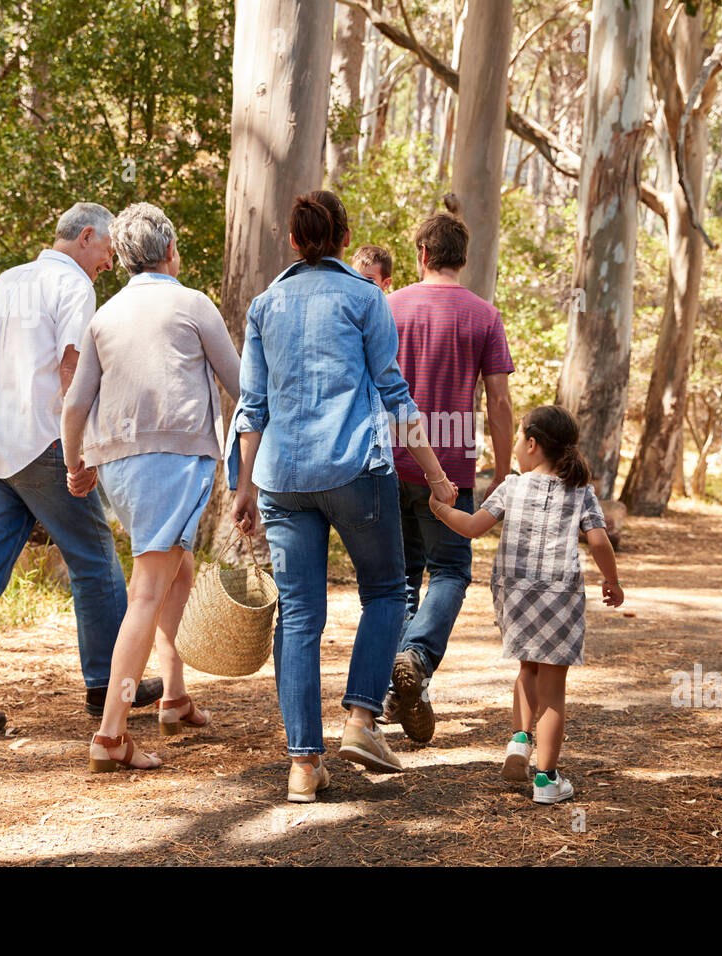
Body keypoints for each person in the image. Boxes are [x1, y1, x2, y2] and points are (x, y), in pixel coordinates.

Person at [230, 190, 457, 803]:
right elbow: (394, 393)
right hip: (355, 469)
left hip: (281, 479)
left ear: (295, 239)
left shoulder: (264, 305)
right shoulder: (364, 297)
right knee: (387, 591)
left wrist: (243, 487)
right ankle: (360, 720)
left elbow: (253, 408)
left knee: (300, 615)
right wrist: (436, 477)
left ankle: (303, 765)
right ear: (341, 236)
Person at [0, 202, 164, 744]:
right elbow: (70, 368)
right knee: (95, 560)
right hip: (42, 444)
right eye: (107, 250)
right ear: (86, 237)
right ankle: (106, 683)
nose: (108, 262)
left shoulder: (9, 279)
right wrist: (79, 451)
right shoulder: (75, 285)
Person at [61, 202, 241, 773]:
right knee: (147, 590)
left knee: (175, 571)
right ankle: (112, 733)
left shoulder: (106, 314)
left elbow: (74, 407)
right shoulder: (192, 303)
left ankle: (174, 696)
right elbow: (243, 387)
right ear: (168, 251)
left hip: (117, 466)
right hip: (175, 460)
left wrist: (75, 467)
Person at [427, 405, 624, 805]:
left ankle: (520, 741)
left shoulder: (511, 487)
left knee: (526, 665)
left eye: (517, 438)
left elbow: (471, 527)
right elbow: (599, 542)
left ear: (532, 444)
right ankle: (547, 780)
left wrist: (440, 508)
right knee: (553, 688)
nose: (517, 446)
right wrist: (612, 581)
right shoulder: (581, 491)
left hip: (514, 593)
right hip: (559, 595)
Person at [380, 209, 514, 743]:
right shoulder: (484, 315)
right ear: (463, 257)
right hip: (453, 466)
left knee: (402, 578)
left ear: (422, 255)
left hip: (390, 459)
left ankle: (398, 686)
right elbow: (500, 403)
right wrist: (502, 471)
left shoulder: (390, 307)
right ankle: (416, 658)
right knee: (452, 572)